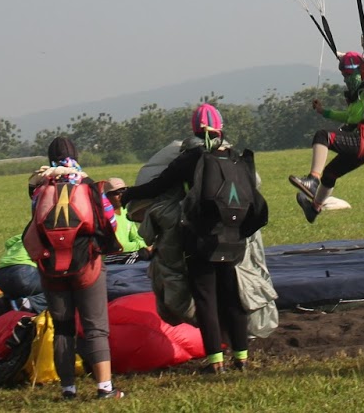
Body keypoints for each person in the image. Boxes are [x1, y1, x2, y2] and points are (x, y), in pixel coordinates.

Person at [112, 104, 269, 374]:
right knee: (233, 296)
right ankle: (241, 358)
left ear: (194, 129)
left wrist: (128, 194)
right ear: (221, 128)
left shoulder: (190, 158)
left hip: (200, 238)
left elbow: (158, 185)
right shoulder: (234, 157)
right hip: (233, 237)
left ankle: (215, 361)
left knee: (206, 298)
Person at [24, 135, 126, 399]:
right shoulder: (88, 185)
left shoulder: (39, 188)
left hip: (51, 268)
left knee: (63, 327)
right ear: (76, 156)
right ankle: (104, 388)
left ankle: (68, 388)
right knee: (96, 327)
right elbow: (110, 222)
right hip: (87, 265)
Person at [288, 30, 364, 222]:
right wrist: (324, 112)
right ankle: (314, 209)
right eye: (344, 75)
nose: (346, 79)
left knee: (322, 137)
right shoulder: (356, 96)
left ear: (358, 72)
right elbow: (350, 118)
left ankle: (312, 180)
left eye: (348, 74)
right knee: (331, 174)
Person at [0, 231, 47, 314]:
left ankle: (8, 303)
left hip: (1, 275)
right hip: (24, 274)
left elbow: (9, 243)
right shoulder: (47, 237)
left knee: (17, 290)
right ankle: (27, 304)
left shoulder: (23, 236)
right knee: (57, 287)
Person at [99, 177, 148, 255]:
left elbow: (136, 237)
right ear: (107, 196)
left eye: (124, 191)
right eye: (117, 193)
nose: (121, 195)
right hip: (113, 257)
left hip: (130, 253)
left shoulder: (126, 212)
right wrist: (142, 246)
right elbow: (119, 246)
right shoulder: (106, 217)